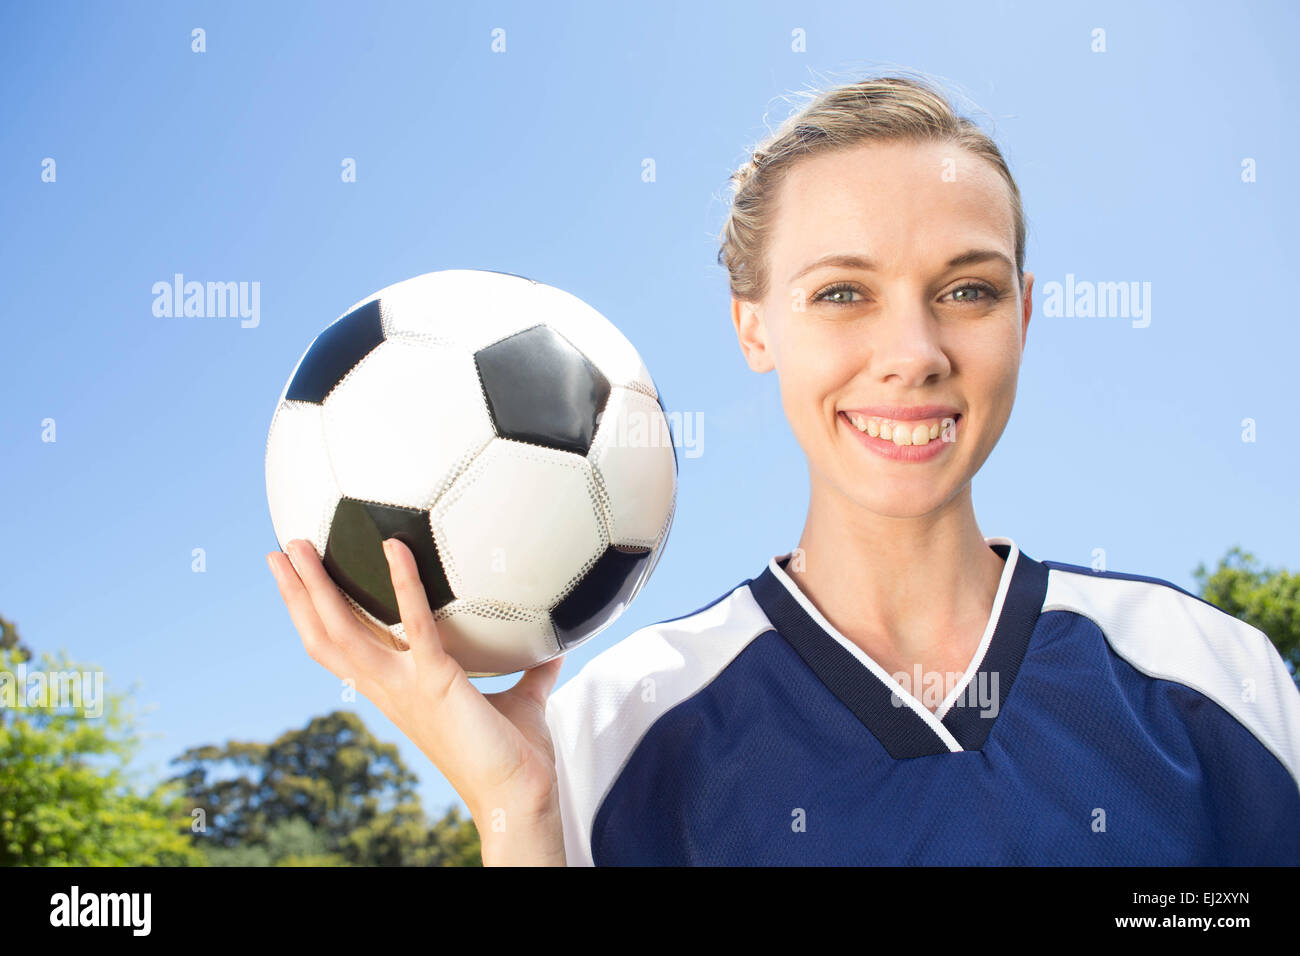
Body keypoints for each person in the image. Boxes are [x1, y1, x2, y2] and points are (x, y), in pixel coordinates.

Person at [267, 72, 1300, 866]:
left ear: (1024, 315)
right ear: (752, 326)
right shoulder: (611, 735)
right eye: (842, 293)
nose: (914, 351)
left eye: (968, 290)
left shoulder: (1216, 681)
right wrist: (516, 810)